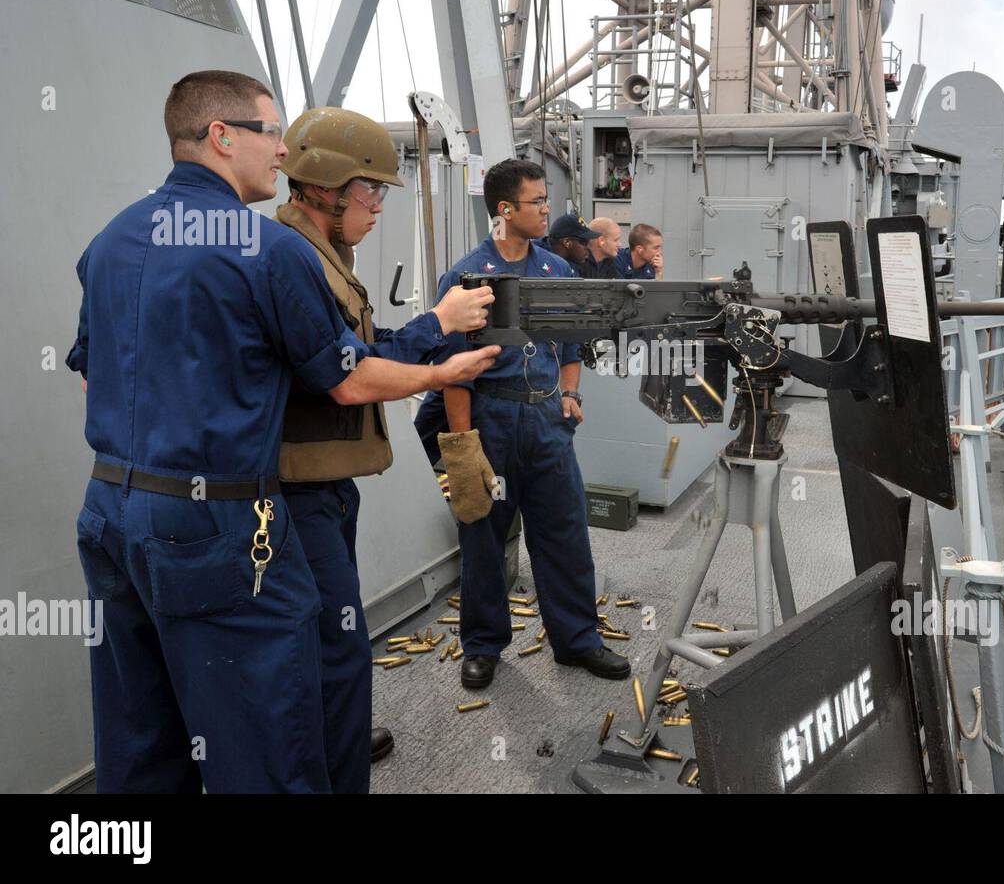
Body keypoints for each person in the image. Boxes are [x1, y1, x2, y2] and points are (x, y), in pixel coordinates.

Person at [66, 70, 498, 793]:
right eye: (272, 133)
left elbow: (92, 374)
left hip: (110, 512)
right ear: (222, 135)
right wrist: (440, 372)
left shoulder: (110, 240)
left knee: (141, 736)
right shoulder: (266, 249)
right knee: (267, 740)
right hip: (221, 524)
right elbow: (348, 378)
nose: (282, 153)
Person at [273, 106, 494, 792]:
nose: (376, 209)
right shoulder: (294, 259)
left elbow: (357, 350)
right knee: (335, 645)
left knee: (328, 639)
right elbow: (347, 376)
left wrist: (432, 329)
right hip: (297, 492)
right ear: (327, 186)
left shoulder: (324, 256)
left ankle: (332, 736)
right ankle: (331, 766)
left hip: (324, 486)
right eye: (370, 193)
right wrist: (439, 340)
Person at [414, 159, 630, 690]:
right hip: (490, 416)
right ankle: (484, 645)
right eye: (538, 202)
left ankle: (576, 640)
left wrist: (572, 394)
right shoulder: (465, 279)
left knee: (564, 530)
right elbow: (453, 375)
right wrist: (464, 448)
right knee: (484, 534)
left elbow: (573, 347)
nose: (546, 211)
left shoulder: (559, 272)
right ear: (505, 209)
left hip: (546, 419)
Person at [546, 212, 618, 278]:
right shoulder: (538, 257)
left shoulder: (578, 260)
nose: (588, 247)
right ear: (567, 242)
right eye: (584, 242)